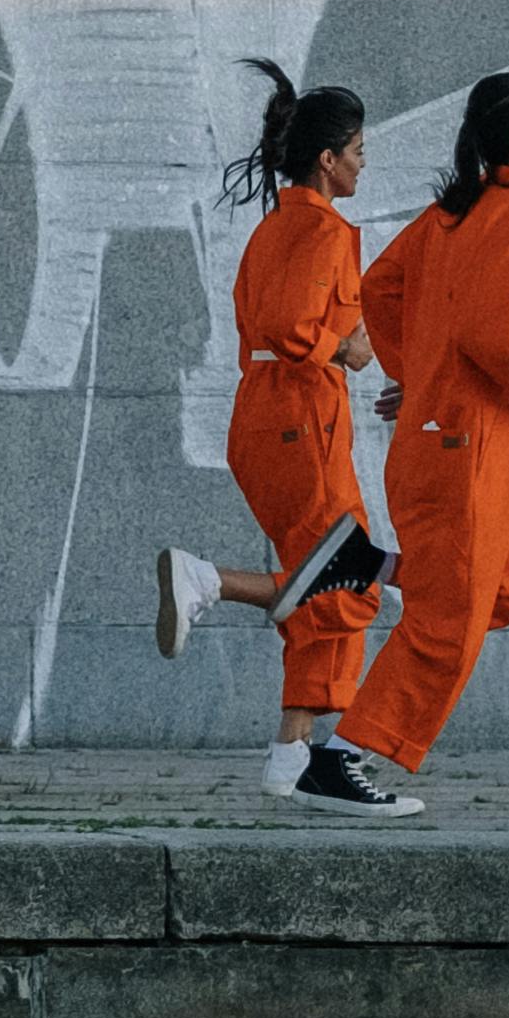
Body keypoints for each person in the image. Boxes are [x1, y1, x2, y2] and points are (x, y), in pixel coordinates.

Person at [328, 73, 509, 811]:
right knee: (448, 628)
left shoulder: (456, 211)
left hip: (441, 447)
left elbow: (380, 289)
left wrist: (419, 375)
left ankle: (362, 562)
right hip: (465, 455)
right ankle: (335, 760)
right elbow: (502, 344)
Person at [157, 59, 395, 795]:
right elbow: (292, 325)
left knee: (331, 585)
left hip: (266, 417)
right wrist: (348, 347)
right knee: (349, 582)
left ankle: (290, 755)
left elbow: (267, 322)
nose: (363, 162)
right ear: (327, 160)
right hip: (300, 417)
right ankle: (206, 580)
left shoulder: (272, 232)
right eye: (356, 150)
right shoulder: (321, 234)